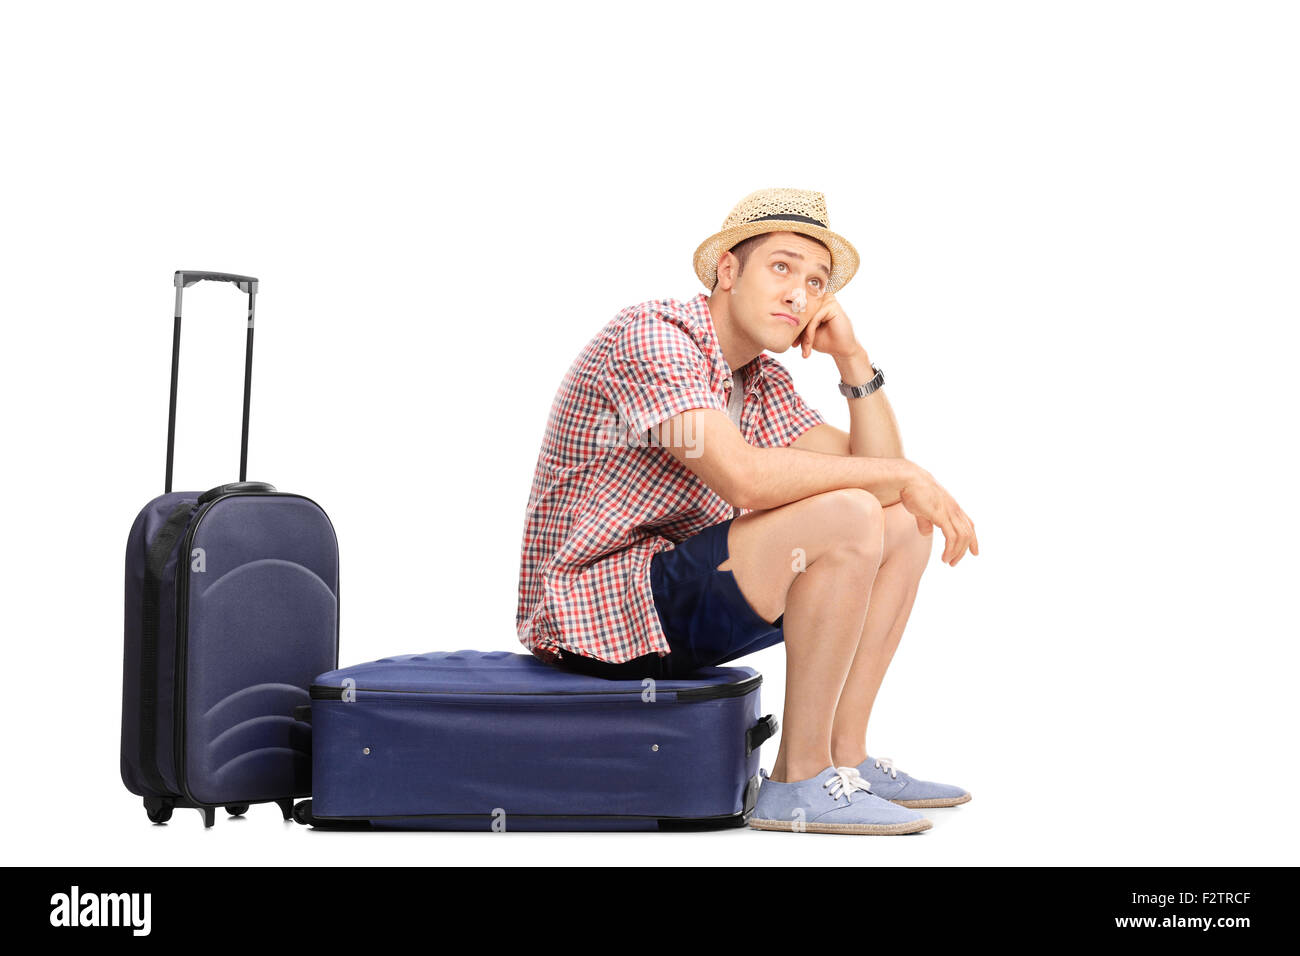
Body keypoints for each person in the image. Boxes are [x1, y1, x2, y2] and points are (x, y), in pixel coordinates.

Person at [515, 187, 979, 834]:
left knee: (901, 522)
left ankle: (843, 762)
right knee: (848, 512)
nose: (800, 294)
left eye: (816, 283)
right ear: (727, 272)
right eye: (782, 267)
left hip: (676, 601)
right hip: (600, 612)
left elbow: (885, 490)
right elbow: (744, 478)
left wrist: (852, 359)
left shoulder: (759, 380)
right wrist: (903, 473)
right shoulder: (653, 337)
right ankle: (795, 783)